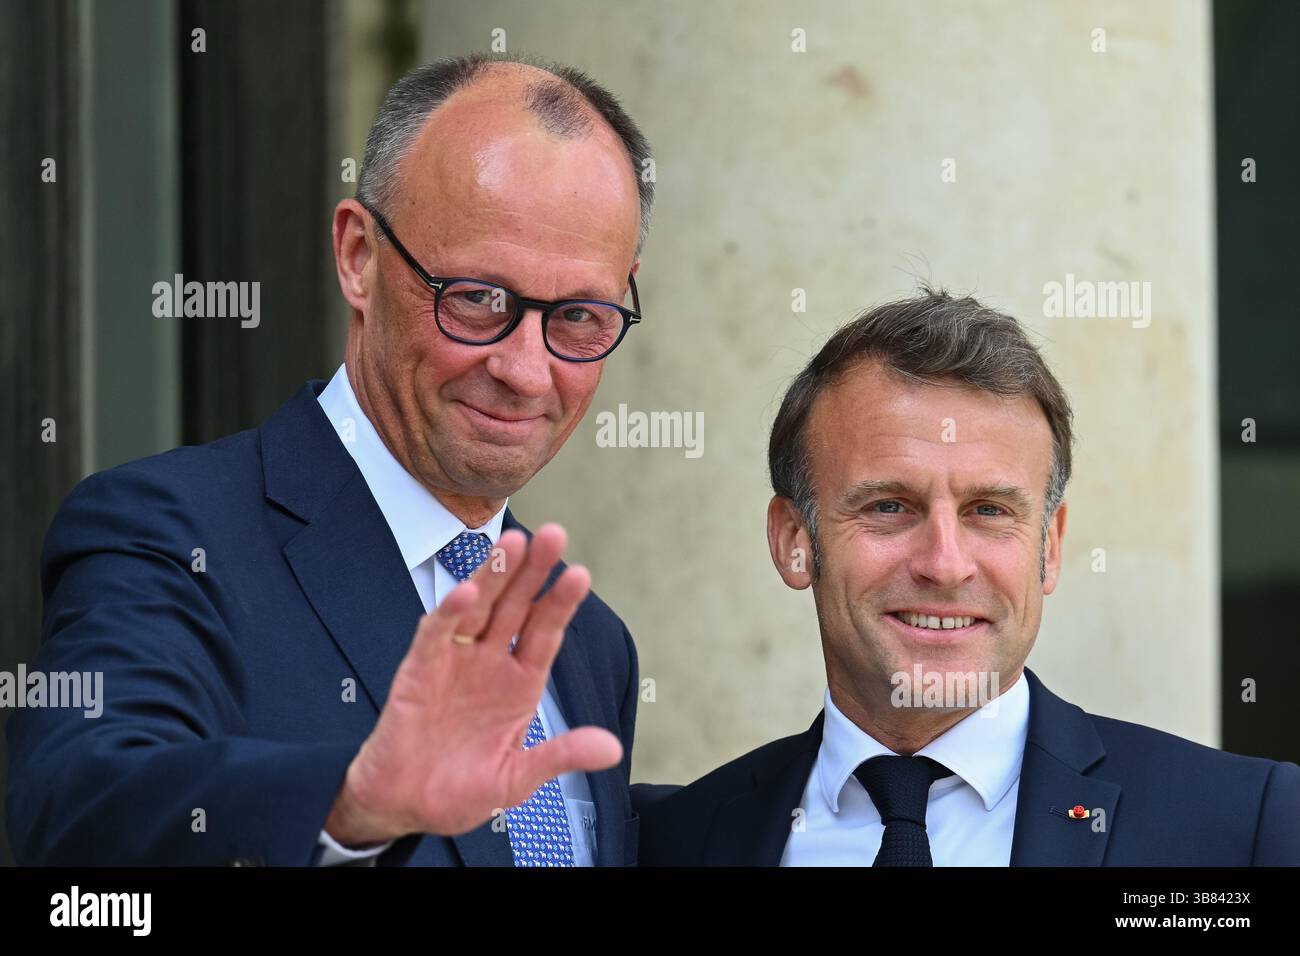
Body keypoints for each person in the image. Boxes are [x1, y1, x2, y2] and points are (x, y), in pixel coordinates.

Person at [6, 52, 654, 867]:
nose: (526, 369)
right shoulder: (171, 535)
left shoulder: (591, 642)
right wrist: (348, 806)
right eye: (478, 299)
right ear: (359, 256)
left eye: (579, 317)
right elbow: (79, 818)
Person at [635, 287, 1300, 866]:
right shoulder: (676, 839)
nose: (945, 565)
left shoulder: (1243, 827)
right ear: (793, 541)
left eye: (989, 511)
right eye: (889, 507)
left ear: (1050, 547)